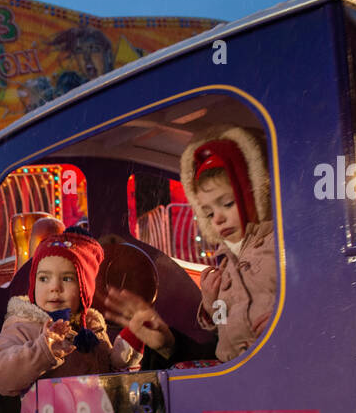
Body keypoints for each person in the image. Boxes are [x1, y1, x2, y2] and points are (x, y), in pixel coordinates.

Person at [103, 126, 276, 367]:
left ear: (254, 194)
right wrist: (210, 304)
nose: (218, 218)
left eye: (227, 203)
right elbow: (223, 322)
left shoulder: (277, 248)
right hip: (237, 370)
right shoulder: (226, 264)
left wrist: (277, 327)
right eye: (208, 212)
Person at [0, 228, 145, 396]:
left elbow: (108, 373)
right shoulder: (25, 325)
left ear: (85, 290)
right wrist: (43, 350)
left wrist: (125, 352)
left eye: (67, 279)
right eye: (44, 278)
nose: (54, 288)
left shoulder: (92, 329)